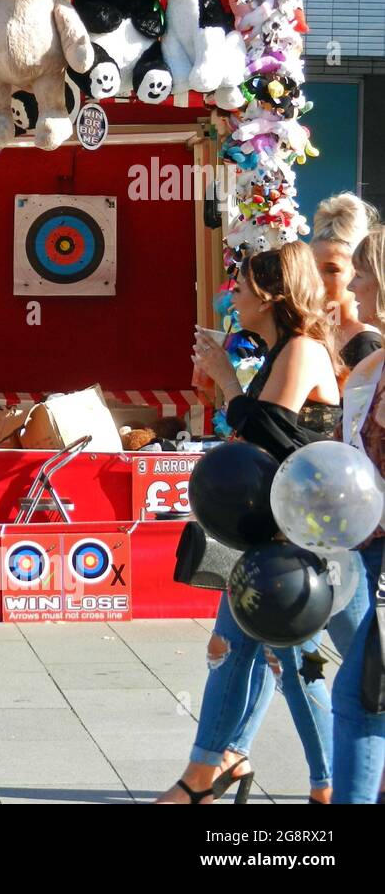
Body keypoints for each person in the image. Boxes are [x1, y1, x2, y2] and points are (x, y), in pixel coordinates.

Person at [158, 242, 343, 803]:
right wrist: (222, 378)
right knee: (230, 647)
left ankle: (328, 784)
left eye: (241, 287)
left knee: (295, 661)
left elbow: (269, 432)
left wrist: (228, 381)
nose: (232, 295)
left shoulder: (303, 349)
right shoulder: (278, 350)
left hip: (296, 537)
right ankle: (208, 770)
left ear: (271, 294)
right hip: (268, 532)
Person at [334, 224, 385, 803]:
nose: (357, 284)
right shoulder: (373, 364)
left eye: (364, 272)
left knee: (358, 695)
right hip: (369, 553)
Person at [312, 193, 381, 369]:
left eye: (331, 270)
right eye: (312, 267)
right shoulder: (310, 330)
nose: (317, 279)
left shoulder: (368, 345)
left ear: (356, 273)